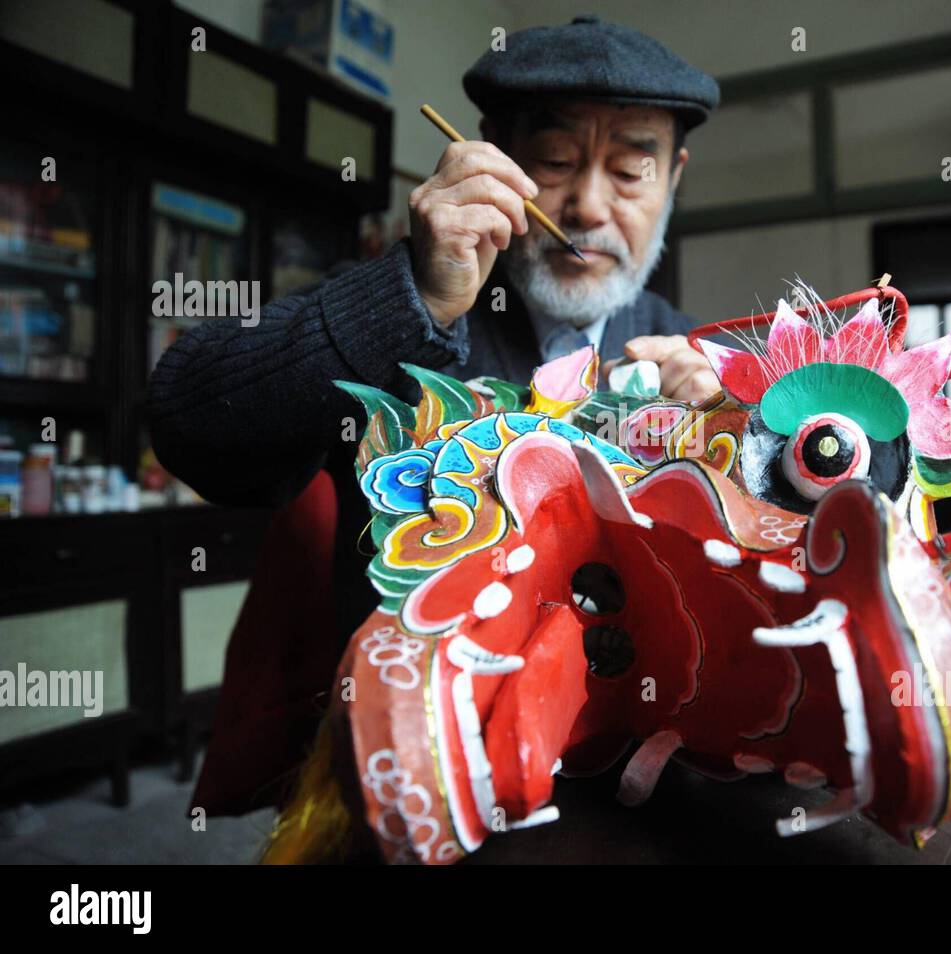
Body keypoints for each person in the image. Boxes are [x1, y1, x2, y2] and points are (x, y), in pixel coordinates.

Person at [147, 16, 721, 813]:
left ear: (675, 177)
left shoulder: (690, 355)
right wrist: (411, 298)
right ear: (490, 150)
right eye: (554, 161)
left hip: (618, 799)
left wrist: (719, 440)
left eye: (630, 170)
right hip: (408, 783)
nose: (588, 205)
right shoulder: (405, 301)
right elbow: (186, 420)